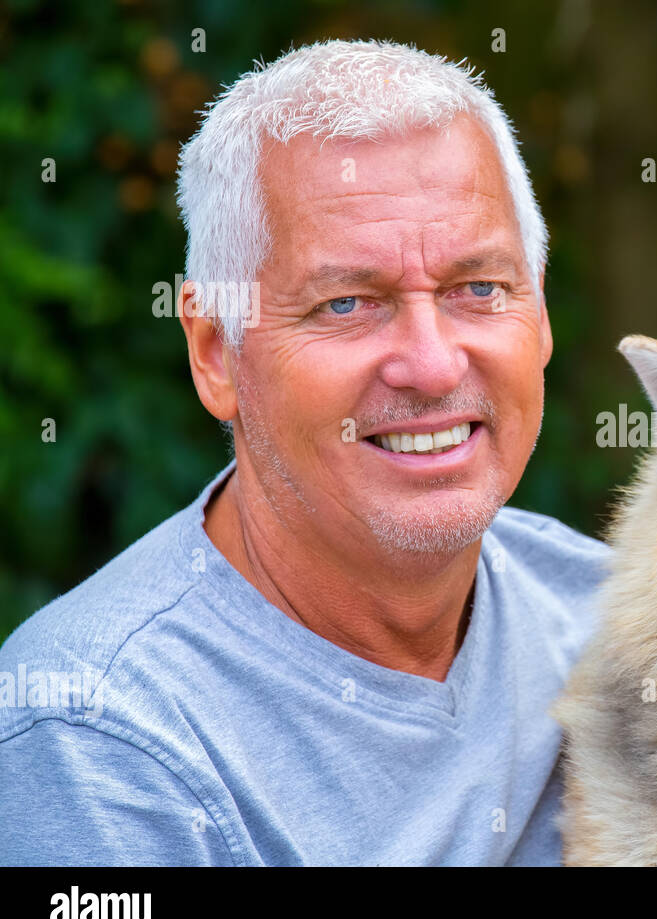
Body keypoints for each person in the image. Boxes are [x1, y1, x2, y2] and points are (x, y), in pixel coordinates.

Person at [0, 39, 608, 865]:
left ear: (537, 318)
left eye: (479, 290)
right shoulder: (97, 737)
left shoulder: (619, 623)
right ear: (216, 351)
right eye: (347, 303)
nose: (432, 364)